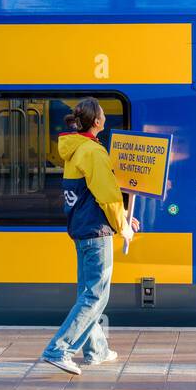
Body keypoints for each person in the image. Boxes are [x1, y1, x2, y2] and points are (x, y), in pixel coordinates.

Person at [41, 97, 139, 375]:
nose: (106, 118)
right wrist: (124, 227)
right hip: (97, 232)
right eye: (103, 115)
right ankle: (59, 349)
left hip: (82, 228)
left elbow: (90, 196)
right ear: (97, 122)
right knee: (96, 296)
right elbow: (108, 197)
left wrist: (123, 217)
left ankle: (97, 350)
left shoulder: (76, 149)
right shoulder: (94, 153)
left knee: (87, 292)